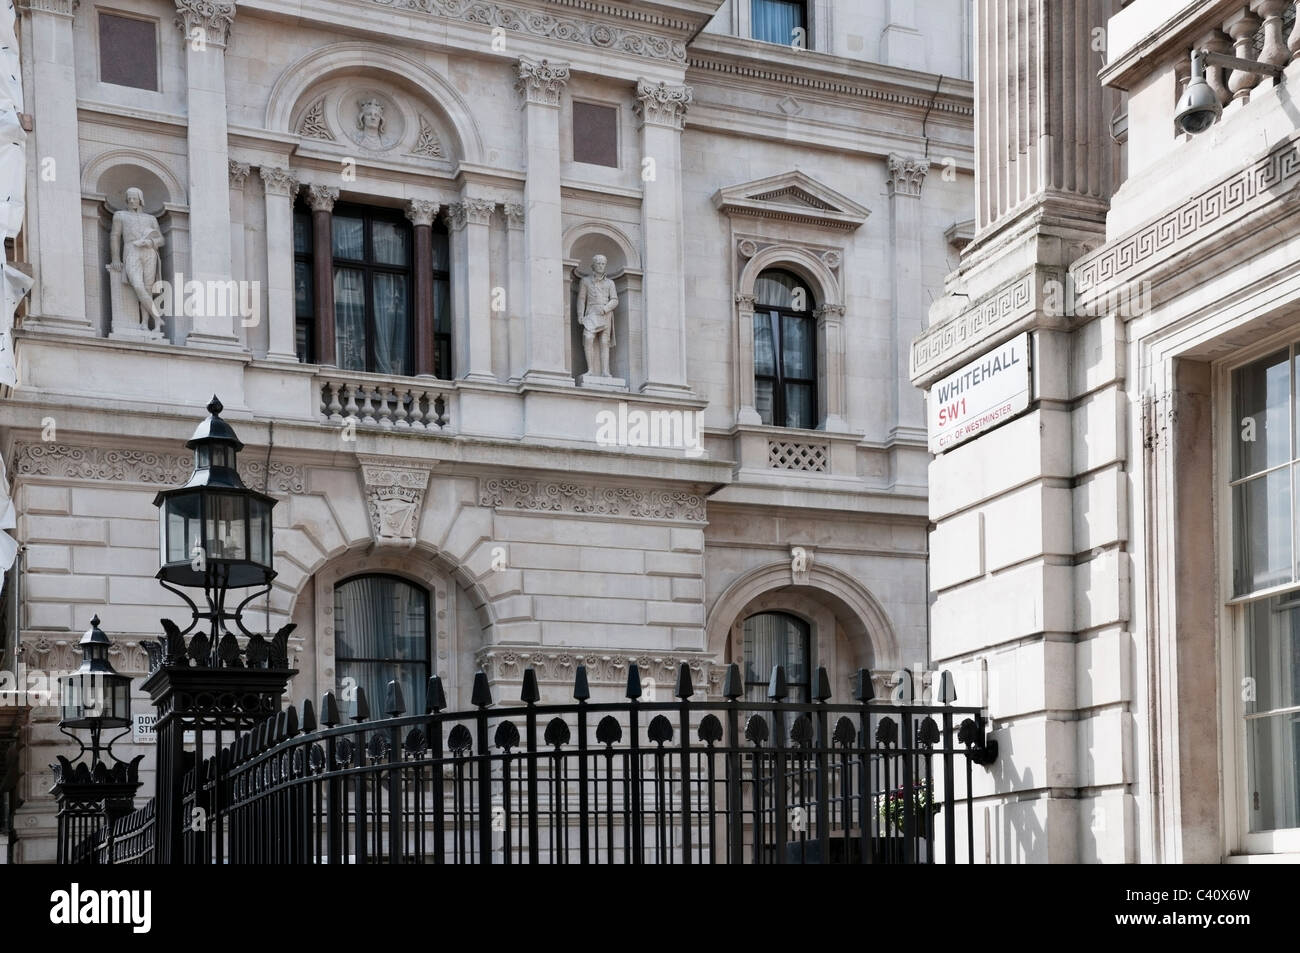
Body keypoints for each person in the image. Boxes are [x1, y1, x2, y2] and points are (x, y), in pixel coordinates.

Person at [109, 187, 164, 323]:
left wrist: (149, 242)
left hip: (149, 251)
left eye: (134, 198)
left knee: (148, 288)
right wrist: (115, 258)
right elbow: (115, 236)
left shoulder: (150, 219)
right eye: (129, 199)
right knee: (138, 285)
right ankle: (157, 318)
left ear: (141, 200)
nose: (132, 201)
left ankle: (145, 324)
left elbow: (161, 240)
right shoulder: (120, 215)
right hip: (131, 250)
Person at [577, 254, 617, 378]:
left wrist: (605, 309)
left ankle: (605, 371)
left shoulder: (610, 283)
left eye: (603, 263)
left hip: (605, 314)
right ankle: (590, 370)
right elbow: (581, 298)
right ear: (593, 265)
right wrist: (580, 315)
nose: (601, 266)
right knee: (588, 338)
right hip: (591, 313)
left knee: (605, 342)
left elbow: (615, 299)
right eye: (598, 263)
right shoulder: (585, 281)